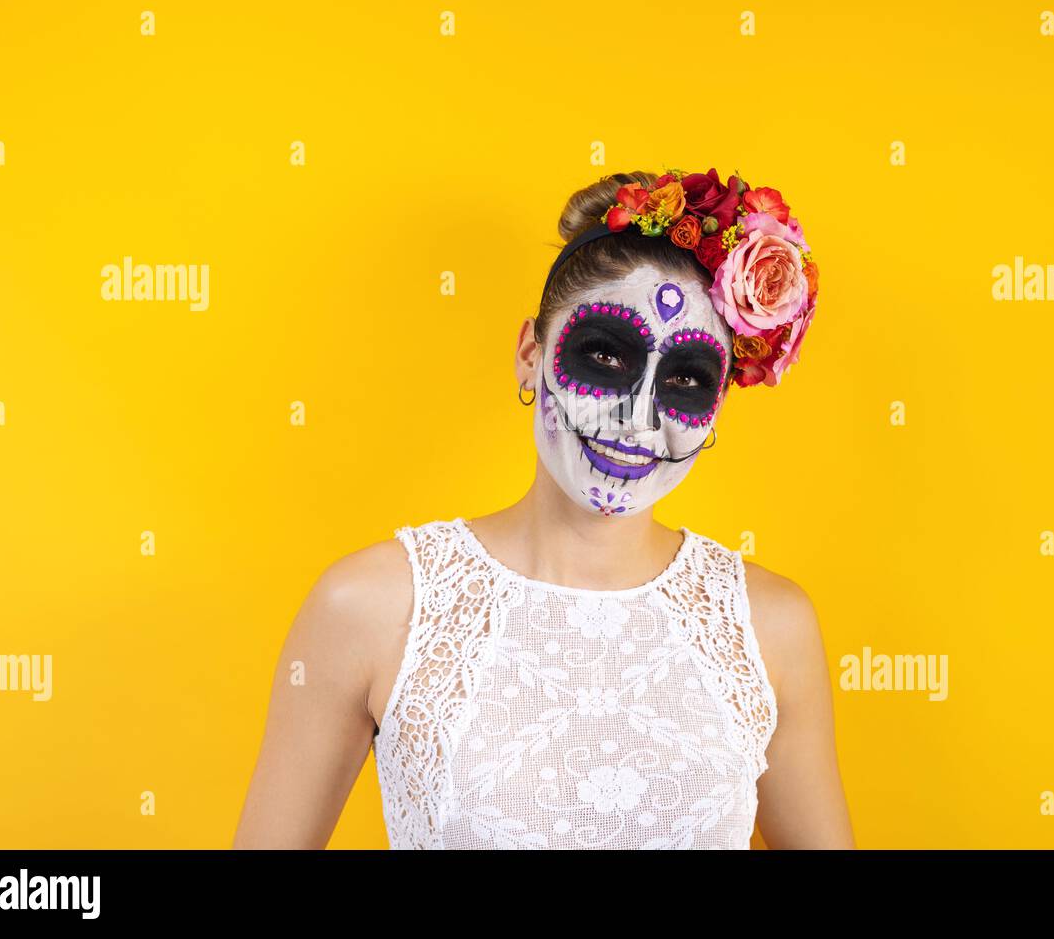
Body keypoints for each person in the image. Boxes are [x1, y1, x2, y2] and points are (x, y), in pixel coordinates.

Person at [234, 169, 855, 849]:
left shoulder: (770, 627)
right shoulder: (371, 606)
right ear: (531, 355)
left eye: (684, 378)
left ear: (718, 405)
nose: (636, 418)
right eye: (603, 355)